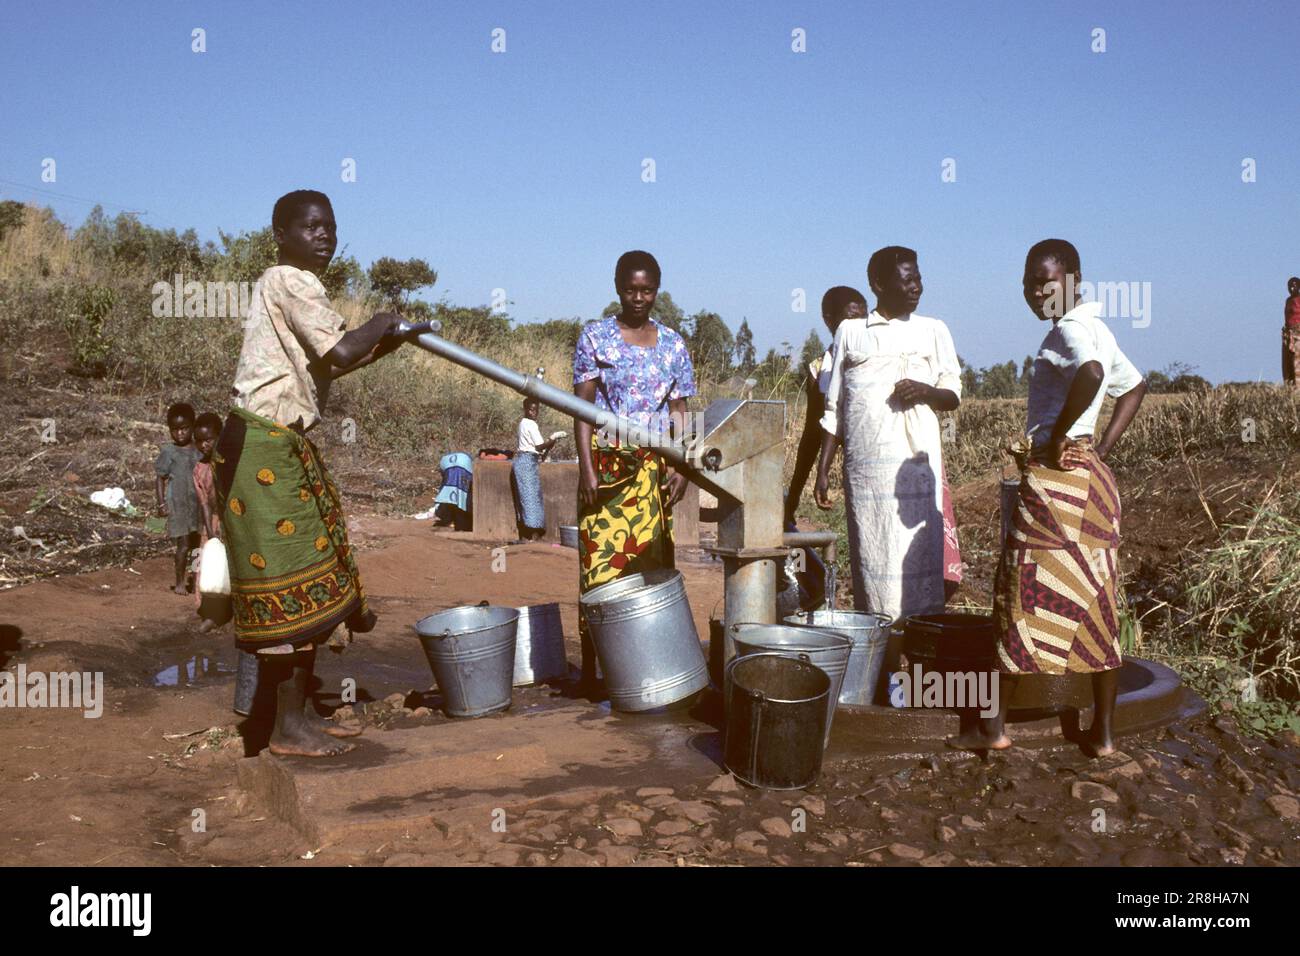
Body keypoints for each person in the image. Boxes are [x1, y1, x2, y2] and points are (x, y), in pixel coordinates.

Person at [214, 188, 409, 757]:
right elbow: (342, 351)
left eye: (330, 227)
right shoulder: (289, 279)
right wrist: (383, 320)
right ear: (281, 235)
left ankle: (294, 719)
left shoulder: (288, 286)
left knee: (308, 579)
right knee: (291, 587)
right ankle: (285, 730)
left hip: (272, 444)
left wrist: (387, 345)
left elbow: (329, 364)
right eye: (311, 226)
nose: (324, 236)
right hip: (263, 448)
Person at [949, 238, 1147, 757]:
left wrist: (1060, 436)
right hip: (1091, 483)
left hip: (1057, 484)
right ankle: (1102, 735)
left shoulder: (1069, 330)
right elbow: (1134, 386)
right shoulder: (1098, 327)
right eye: (1029, 282)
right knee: (1097, 600)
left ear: (1074, 281)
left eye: (1046, 281)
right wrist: (1099, 448)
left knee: (1020, 595)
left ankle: (992, 729)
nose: (1036, 291)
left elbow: (1093, 374)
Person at [814, 247, 961, 621]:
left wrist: (925, 391)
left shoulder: (933, 330)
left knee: (920, 564)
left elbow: (953, 395)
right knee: (875, 560)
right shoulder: (851, 332)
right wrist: (822, 470)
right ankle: (882, 646)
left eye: (918, 278)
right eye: (907, 280)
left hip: (917, 471)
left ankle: (920, 642)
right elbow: (835, 409)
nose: (916, 287)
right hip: (869, 477)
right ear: (878, 284)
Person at [572, 250, 695, 692]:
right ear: (617, 288)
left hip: (653, 475)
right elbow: (582, 410)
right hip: (609, 471)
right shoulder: (596, 337)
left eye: (647, 290)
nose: (638, 298)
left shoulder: (673, 344)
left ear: (657, 290)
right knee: (600, 569)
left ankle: (648, 668)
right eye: (630, 289)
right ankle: (593, 670)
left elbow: (680, 412)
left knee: (651, 571)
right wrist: (587, 469)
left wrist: (682, 465)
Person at [782, 287, 868, 609]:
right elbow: (812, 434)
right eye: (849, 319)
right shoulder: (821, 367)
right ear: (828, 320)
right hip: (852, 470)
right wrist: (795, 494)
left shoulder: (879, 355)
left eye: (863, 318)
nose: (857, 326)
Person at [154, 402, 201, 595]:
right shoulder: (169, 452)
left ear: (192, 426)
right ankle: (180, 582)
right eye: (175, 430)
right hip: (179, 506)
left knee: (198, 545)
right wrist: (161, 503)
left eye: (184, 429)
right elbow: (160, 478)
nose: (180, 433)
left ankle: (197, 581)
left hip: (198, 506)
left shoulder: (200, 450)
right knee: (183, 545)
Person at [191, 411, 224, 632]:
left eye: (209, 440)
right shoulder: (199, 470)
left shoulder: (228, 464)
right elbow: (204, 503)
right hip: (211, 520)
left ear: (219, 436)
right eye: (199, 441)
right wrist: (211, 533)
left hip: (233, 519)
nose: (204, 445)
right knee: (206, 566)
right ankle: (210, 614)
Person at [512, 398, 561, 541]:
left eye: (536, 410)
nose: (534, 413)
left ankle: (527, 534)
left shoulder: (523, 423)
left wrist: (549, 443)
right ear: (525, 409)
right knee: (531, 499)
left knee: (526, 498)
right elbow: (539, 446)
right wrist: (552, 439)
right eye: (531, 410)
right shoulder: (530, 424)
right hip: (527, 463)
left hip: (524, 462)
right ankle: (532, 534)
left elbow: (538, 448)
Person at [1283, 277, 1300, 386]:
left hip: (1298, 334)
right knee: (1287, 364)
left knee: (1297, 362)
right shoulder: (1288, 300)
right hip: (1288, 334)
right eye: (1290, 286)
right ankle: (1289, 388)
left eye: (1294, 286)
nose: (1291, 288)